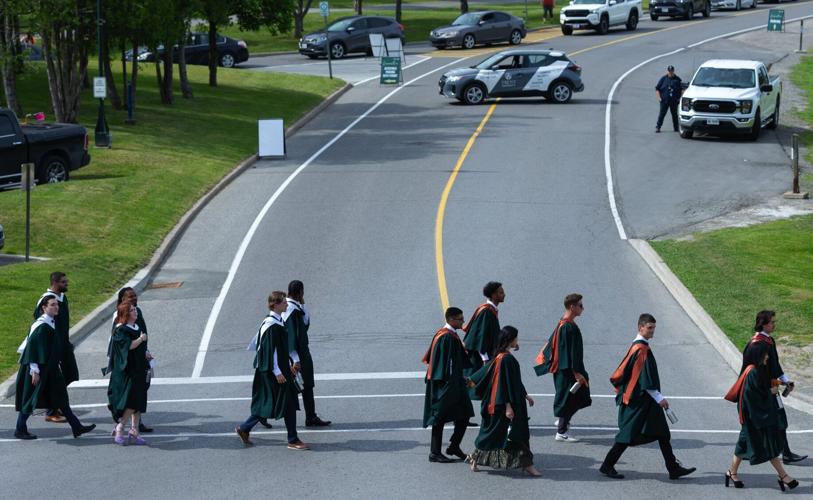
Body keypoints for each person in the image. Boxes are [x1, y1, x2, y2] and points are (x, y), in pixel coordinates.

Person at [599, 314, 695, 480]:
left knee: (663, 433)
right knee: (627, 435)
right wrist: (660, 398)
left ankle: (673, 468)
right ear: (640, 327)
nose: (652, 331)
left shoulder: (637, 347)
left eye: (654, 328)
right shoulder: (641, 350)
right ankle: (607, 465)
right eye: (649, 328)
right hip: (638, 401)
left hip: (645, 401)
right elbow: (646, 379)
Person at [14, 296, 96, 440]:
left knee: (60, 396)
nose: (56, 307)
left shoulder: (51, 323)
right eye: (52, 305)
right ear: (44, 308)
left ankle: (77, 426)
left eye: (56, 304)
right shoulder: (40, 326)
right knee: (31, 398)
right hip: (38, 370)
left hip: (50, 368)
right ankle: (20, 429)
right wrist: (34, 371)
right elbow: (31, 349)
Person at [236, 291, 308, 450]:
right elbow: (271, 350)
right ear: (275, 305)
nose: (287, 304)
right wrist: (277, 372)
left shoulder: (274, 321)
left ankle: (245, 428)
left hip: (276, 369)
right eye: (283, 302)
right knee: (287, 402)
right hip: (274, 372)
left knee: (273, 401)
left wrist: (289, 364)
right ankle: (293, 439)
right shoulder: (272, 326)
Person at [724, 340, 799, 491]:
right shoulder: (752, 372)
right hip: (753, 417)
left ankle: (731, 473)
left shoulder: (758, 369)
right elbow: (752, 397)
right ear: (758, 354)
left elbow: (762, 384)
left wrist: (779, 383)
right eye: (765, 354)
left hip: (753, 417)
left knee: (743, 445)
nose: (767, 357)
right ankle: (784, 476)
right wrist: (770, 393)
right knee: (768, 445)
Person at [467, 326, 541, 476]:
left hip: (507, 401)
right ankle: (527, 465)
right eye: (516, 337)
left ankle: (526, 463)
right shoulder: (505, 359)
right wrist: (508, 407)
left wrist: (525, 395)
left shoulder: (502, 356)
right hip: (504, 404)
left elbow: (513, 380)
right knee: (511, 433)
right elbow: (503, 384)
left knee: (501, 433)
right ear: (510, 339)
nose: (517, 340)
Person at [743, 310, 807, 465]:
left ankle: (784, 453)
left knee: (778, 420)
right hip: (764, 391)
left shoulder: (768, 341)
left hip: (770, 388)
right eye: (772, 322)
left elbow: (774, 365)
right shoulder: (758, 344)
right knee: (763, 422)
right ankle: (746, 453)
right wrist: (769, 389)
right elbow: (756, 372)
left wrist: (785, 381)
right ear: (763, 324)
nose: (774, 324)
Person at [533, 293, 591, 442]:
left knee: (579, 396)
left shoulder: (564, 323)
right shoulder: (567, 327)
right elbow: (569, 352)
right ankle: (561, 432)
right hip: (567, 370)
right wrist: (576, 373)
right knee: (568, 399)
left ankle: (563, 420)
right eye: (580, 305)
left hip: (565, 369)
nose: (583, 308)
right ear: (572, 307)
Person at [422, 307, 475, 463]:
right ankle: (435, 452)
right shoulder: (447, 337)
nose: (463, 321)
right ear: (451, 319)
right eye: (460, 319)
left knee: (464, 413)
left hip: (452, 381)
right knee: (439, 416)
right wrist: (455, 381)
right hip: (446, 384)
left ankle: (454, 446)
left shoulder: (445, 334)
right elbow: (449, 364)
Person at [104, 287, 154, 433]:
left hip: (139, 357)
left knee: (140, 388)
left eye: (134, 296)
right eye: (130, 297)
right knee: (128, 391)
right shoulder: (119, 318)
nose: (134, 299)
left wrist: (145, 350)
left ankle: (135, 425)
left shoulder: (138, 312)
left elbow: (142, 332)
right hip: (125, 360)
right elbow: (117, 340)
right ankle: (121, 422)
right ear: (122, 300)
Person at [32, 272, 79, 423]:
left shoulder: (62, 298)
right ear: (55, 283)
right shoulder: (46, 300)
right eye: (63, 282)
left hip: (63, 344)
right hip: (53, 346)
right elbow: (40, 321)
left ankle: (56, 404)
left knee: (70, 373)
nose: (67, 284)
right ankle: (52, 410)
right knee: (55, 378)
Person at [283, 280, 330, 427]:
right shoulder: (291, 311)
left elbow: (304, 325)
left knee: (307, 385)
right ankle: (258, 416)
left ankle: (311, 416)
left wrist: (303, 303)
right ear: (300, 292)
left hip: (301, 354)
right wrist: (296, 360)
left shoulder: (294, 308)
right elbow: (292, 337)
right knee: (291, 388)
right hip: (298, 356)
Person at [463, 281, 504, 380]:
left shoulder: (490, 310)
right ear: (493, 295)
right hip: (479, 361)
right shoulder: (486, 312)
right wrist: (485, 359)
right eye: (501, 292)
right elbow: (481, 337)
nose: (504, 294)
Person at [655, 65, 682, 133]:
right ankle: (658, 127)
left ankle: (676, 128)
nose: (670, 72)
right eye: (669, 71)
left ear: (673, 71)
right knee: (662, 114)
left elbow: (682, 90)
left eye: (671, 71)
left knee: (674, 115)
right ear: (667, 71)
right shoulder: (663, 79)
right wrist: (659, 98)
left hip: (674, 101)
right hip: (664, 101)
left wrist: (680, 98)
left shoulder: (677, 79)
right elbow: (657, 89)